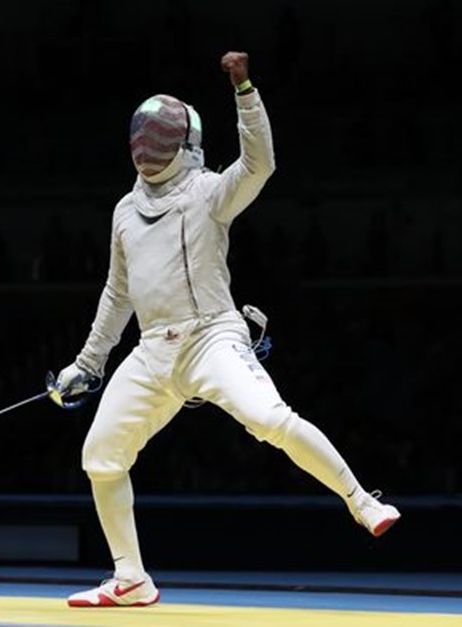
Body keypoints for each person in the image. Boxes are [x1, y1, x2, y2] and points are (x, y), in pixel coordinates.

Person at [54, 51, 401, 608]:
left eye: (162, 134)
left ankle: (362, 501)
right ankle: (130, 579)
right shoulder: (124, 211)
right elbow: (118, 294)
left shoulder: (209, 192)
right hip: (151, 353)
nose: (150, 143)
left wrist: (245, 93)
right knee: (100, 456)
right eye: (144, 134)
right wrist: (87, 364)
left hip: (211, 336)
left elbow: (259, 164)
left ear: (186, 142)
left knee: (270, 419)